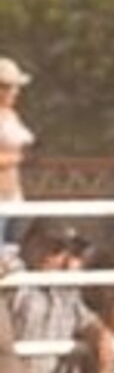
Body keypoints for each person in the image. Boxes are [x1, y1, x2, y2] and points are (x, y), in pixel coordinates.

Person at [0, 56, 38, 239]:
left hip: (13, 194)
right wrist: (18, 157)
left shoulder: (11, 116)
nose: (15, 92)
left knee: (11, 249)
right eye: (8, 87)